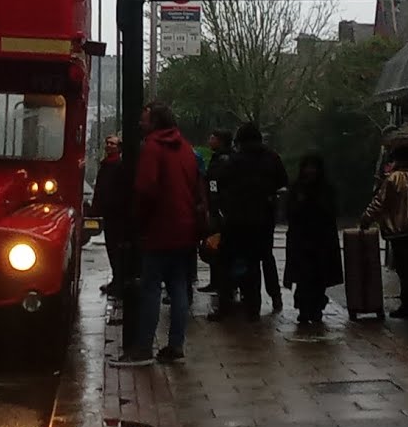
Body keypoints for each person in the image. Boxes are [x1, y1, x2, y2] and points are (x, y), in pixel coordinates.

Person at [110, 103, 205, 367]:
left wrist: (138, 223)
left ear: (155, 123)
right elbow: (197, 186)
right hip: (185, 229)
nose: (141, 124)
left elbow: (145, 189)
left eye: (145, 120)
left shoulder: (152, 148)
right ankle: (175, 345)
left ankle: (143, 347)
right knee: (178, 288)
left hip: (159, 228)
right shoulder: (185, 148)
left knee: (151, 288)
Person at [210, 123, 287, 321]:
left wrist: (221, 207)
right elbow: (283, 182)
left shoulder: (234, 161)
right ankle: (265, 300)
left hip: (236, 219)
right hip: (263, 218)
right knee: (261, 259)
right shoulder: (272, 157)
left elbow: (219, 184)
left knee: (228, 261)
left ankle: (227, 305)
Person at [360, 144, 408, 318]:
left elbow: (379, 203)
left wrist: (366, 219)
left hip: (399, 231)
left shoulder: (394, 178)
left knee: (404, 270)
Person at [283, 154, 343, 324]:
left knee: (318, 277)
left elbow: (332, 212)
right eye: (307, 167)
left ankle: (316, 308)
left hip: (321, 241)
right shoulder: (297, 188)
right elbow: (289, 212)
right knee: (303, 278)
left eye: (313, 167)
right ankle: (304, 308)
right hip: (301, 240)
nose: (310, 171)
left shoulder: (326, 189)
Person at [198, 129, 234, 295]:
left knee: (219, 245)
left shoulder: (223, 160)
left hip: (220, 208)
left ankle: (223, 283)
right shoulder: (219, 158)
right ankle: (216, 281)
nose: (209, 140)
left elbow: (215, 181)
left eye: (212, 137)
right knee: (213, 244)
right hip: (216, 206)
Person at [92, 134, 124, 295]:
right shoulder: (106, 165)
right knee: (111, 247)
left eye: (113, 143)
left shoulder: (118, 165)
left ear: (118, 147)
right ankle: (116, 279)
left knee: (115, 247)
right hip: (108, 212)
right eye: (107, 143)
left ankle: (118, 281)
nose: (109, 145)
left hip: (115, 213)